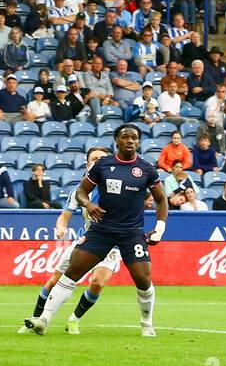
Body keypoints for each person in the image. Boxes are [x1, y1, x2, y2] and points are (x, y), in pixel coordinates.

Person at [27, 125, 168, 337]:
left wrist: (159, 228)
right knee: (72, 272)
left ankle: (146, 324)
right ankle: (44, 319)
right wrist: (88, 204)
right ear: (116, 141)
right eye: (125, 137)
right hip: (101, 230)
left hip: (131, 232)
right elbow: (82, 191)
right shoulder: (103, 165)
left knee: (143, 279)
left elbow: (161, 199)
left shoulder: (147, 169)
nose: (130, 140)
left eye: (134, 138)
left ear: (139, 142)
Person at [23, 147, 123, 335]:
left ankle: (74, 320)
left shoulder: (118, 189)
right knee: (55, 280)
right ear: (87, 163)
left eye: (102, 158)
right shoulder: (80, 190)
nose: (98, 161)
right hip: (85, 242)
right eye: (94, 158)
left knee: (97, 284)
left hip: (111, 244)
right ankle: (35, 319)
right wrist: (61, 226)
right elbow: (64, 216)